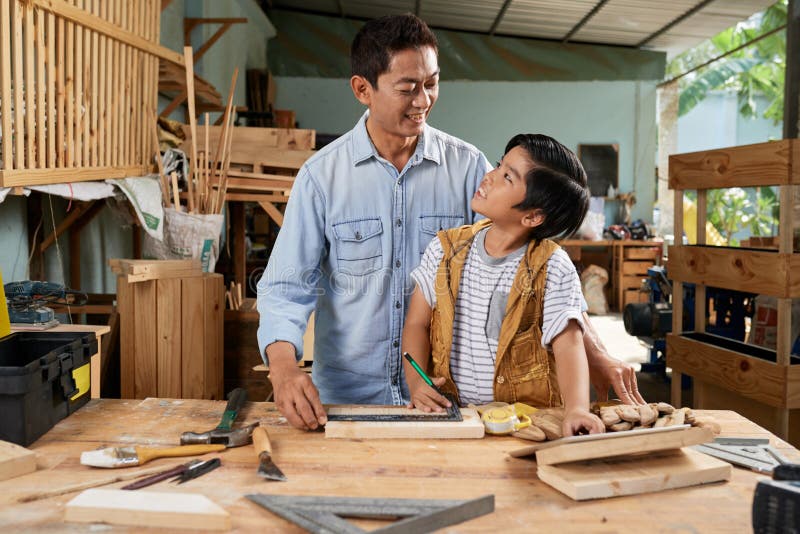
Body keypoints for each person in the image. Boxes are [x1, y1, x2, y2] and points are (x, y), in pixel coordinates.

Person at [257, 13, 644, 431]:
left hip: (447, 402)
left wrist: (596, 351)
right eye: (407, 88)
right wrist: (284, 369)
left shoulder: (467, 168)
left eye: (432, 83)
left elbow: (537, 271)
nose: (423, 100)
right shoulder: (321, 177)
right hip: (348, 400)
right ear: (362, 89)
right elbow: (285, 288)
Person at [402, 133, 605, 436]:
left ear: (534, 216)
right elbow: (417, 323)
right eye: (499, 166)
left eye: (507, 177)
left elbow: (569, 345)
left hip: (525, 425)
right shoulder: (444, 250)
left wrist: (576, 409)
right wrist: (417, 382)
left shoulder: (553, 267)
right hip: (457, 418)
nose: (490, 176)